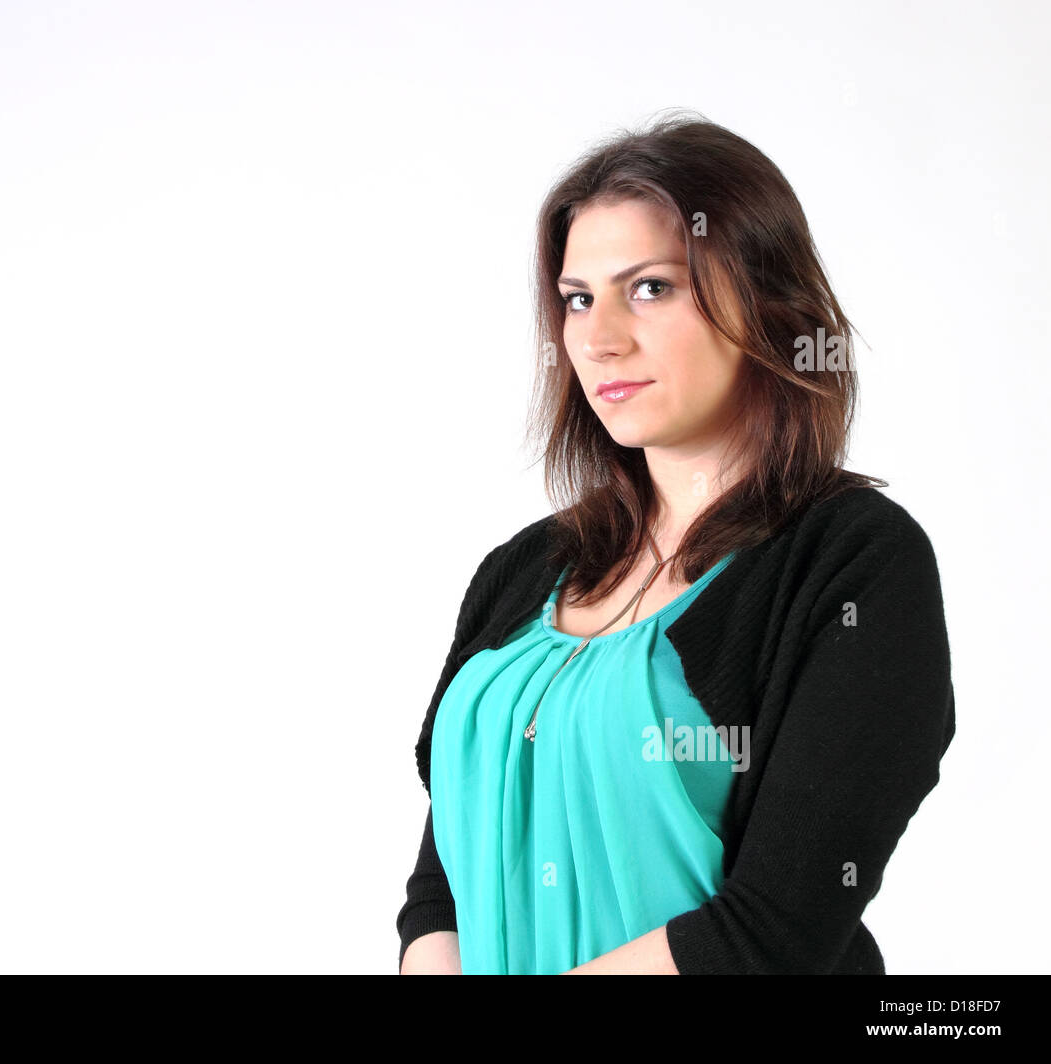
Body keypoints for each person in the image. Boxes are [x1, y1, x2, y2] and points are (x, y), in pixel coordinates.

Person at [395, 111, 955, 975]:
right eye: (578, 298)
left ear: (762, 298)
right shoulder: (522, 569)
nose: (598, 336)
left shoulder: (854, 563)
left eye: (650, 287)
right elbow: (443, 884)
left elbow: (777, 931)